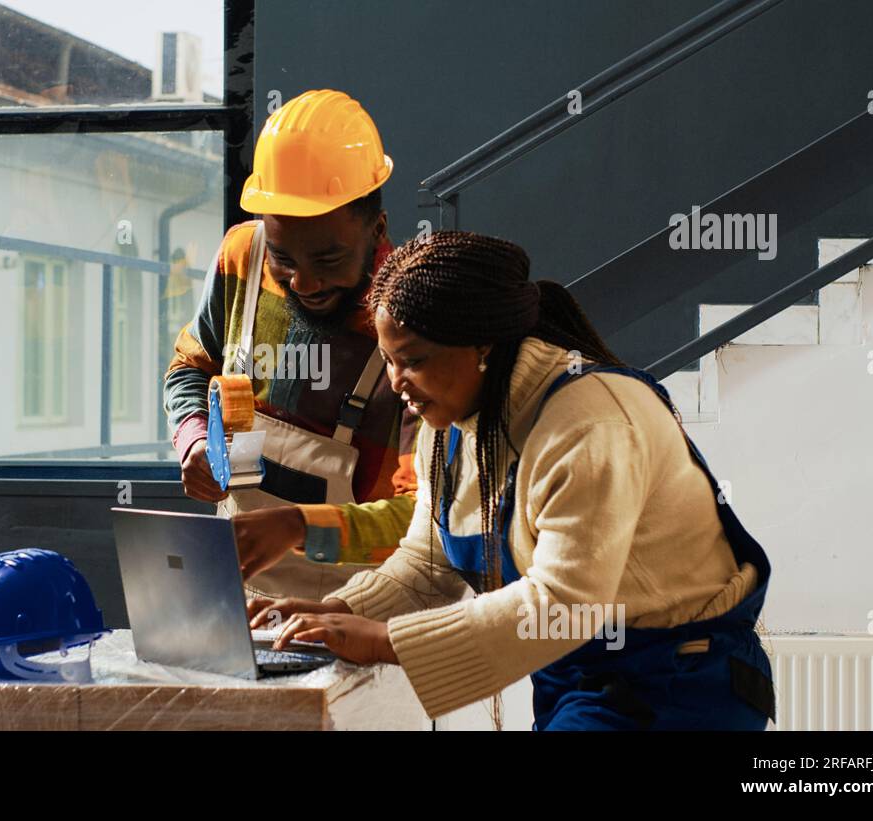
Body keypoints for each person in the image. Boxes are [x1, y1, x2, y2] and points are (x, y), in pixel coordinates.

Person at [252, 231, 774, 730]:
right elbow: (425, 564)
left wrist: (383, 639)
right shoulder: (448, 424)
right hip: (581, 677)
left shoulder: (589, 423)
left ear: (481, 346)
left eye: (412, 360)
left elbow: (564, 606)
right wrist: (333, 614)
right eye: (387, 361)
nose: (395, 384)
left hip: (681, 686)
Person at [164, 89, 418, 600]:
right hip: (238, 595)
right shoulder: (243, 255)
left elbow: (424, 518)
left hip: (361, 606)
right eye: (284, 258)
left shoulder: (414, 316)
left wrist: (299, 526)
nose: (302, 282)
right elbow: (190, 367)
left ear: (378, 229)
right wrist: (192, 437)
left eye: (327, 260)